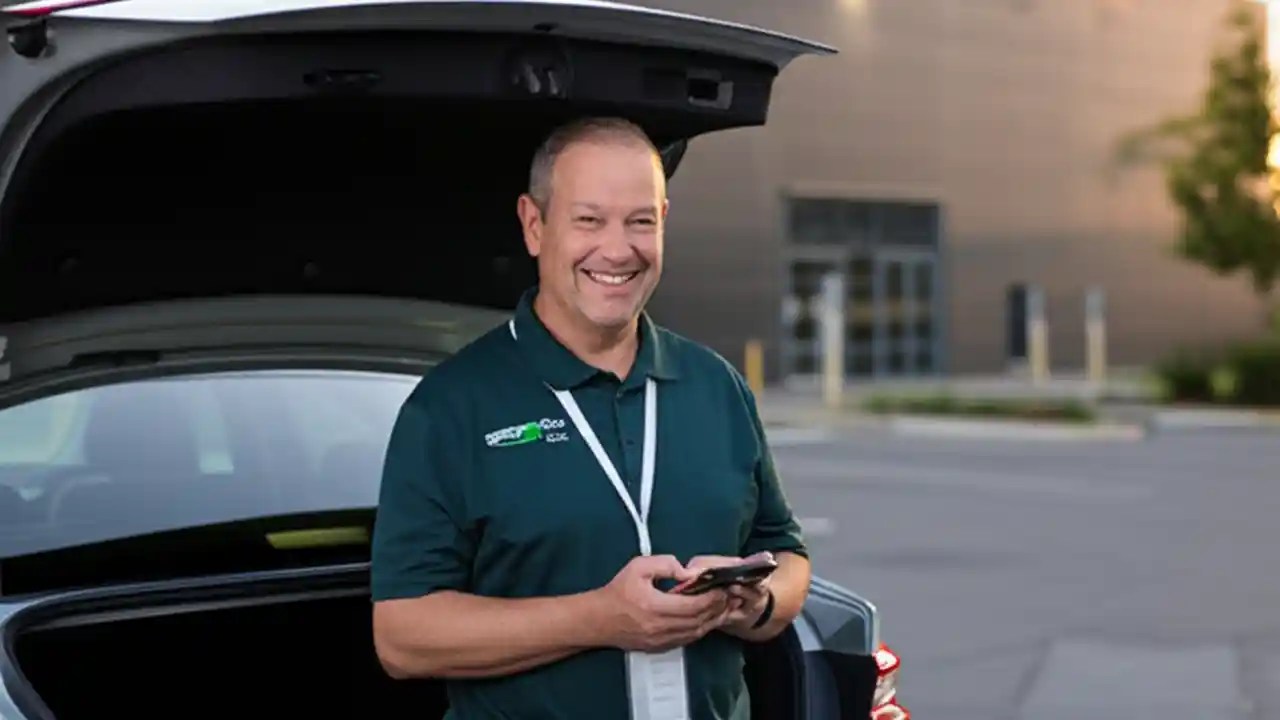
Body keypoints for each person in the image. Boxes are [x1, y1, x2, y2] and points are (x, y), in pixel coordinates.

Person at [370, 116, 811, 720]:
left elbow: (785, 553)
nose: (617, 249)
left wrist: (753, 604)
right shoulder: (451, 406)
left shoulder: (716, 386)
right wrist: (599, 619)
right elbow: (402, 636)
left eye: (640, 221)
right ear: (534, 225)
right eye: (589, 220)